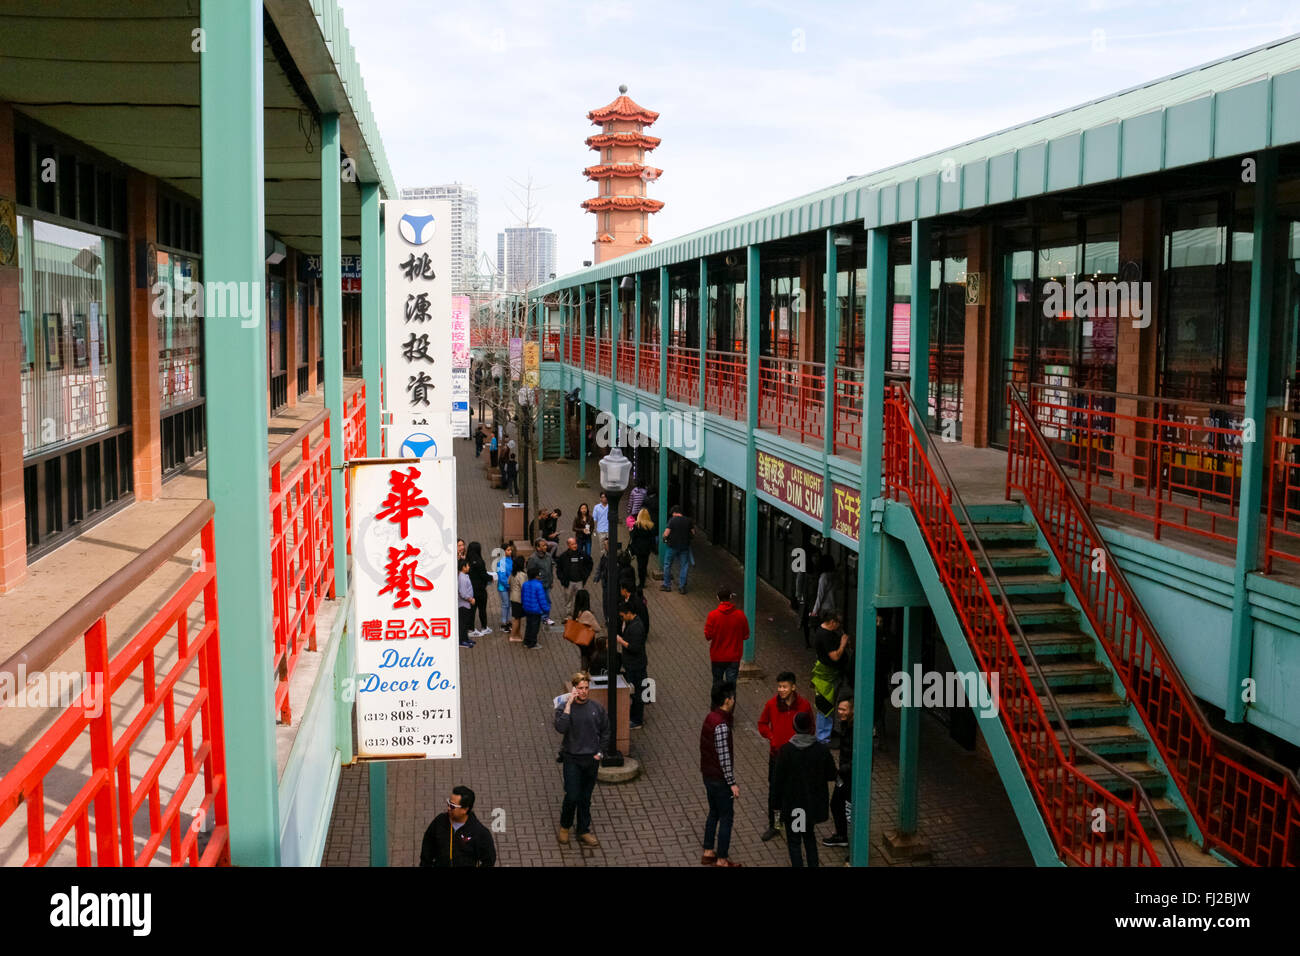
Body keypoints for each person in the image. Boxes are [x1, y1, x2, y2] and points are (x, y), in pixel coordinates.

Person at [772, 710, 837, 867]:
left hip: (793, 805)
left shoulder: (786, 750)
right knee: (809, 838)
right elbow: (831, 774)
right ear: (811, 727)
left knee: (794, 842)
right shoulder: (821, 750)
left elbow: (777, 781)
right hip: (811, 805)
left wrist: (776, 809)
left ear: (794, 727)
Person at [554, 671, 611, 847]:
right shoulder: (563, 707)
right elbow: (561, 728)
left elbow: (606, 731)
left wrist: (600, 753)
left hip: (591, 759)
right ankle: (565, 827)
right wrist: (569, 705)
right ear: (574, 689)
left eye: (586, 688)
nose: (584, 691)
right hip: (572, 758)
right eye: (580, 688)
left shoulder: (597, 708)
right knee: (572, 795)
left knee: (585, 797)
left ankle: (583, 830)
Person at [757, 671, 813, 842]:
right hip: (777, 757)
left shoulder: (804, 706)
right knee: (775, 792)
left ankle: (795, 823)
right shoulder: (771, 704)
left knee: (797, 792)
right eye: (779, 686)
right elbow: (762, 724)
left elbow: (811, 728)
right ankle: (776, 825)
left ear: (793, 687)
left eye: (784, 686)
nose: (781, 689)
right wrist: (772, 737)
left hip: (797, 758)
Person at [700, 680, 743, 867]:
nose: (734, 700)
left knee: (713, 812)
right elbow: (724, 758)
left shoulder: (710, 718)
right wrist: (732, 783)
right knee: (726, 817)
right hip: (719, 779)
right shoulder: (722, 725)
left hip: (708, 775)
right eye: (732, 697)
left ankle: (708, 851)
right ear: (727, 700)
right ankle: (722, 859)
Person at [419, 785, 496, 867]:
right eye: (448, 803)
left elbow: (489, 860)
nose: (448, 808)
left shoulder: (480, 833)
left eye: (452, 806)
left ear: (465, 809)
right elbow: (427, 848)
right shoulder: (439, 822)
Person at [811, 611, 851, 743]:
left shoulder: (822, 630)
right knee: (825, 705)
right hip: (827, 675)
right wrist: (843, 644)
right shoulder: (825, 636)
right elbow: (835, 656)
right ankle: (823, 737)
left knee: (826, 704)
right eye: (837, 624)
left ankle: (826, 732)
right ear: (832, 622)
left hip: (828, 674)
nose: (838, 627)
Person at [704, 585, 749, 691]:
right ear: (730, 597)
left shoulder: (713, 615)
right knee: (731, 687)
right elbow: (746, 635)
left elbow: (708, 636)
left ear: (717, 598)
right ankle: (729, 706)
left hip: (717, 656)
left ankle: (717, 705)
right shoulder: (740, 615)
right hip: (734, 657)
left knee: (717, 682)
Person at [823, 699, 854, 849]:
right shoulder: (846, 725)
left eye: (844, 710)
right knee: (836, 804)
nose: (840, 712)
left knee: (846, 809)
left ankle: (851, 842)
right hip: (845, 774)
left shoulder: (856, 728)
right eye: (839, 709)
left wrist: (843, 769)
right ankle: (842, 836)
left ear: (852, 710)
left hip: (851, 775)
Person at [616, 602, 648, 730]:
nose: (622, 618)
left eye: (623, 616)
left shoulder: (636, 627)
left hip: (636, 665)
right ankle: (634, 716)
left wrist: (621, 641)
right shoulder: (633, 623)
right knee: (635, 692)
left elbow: (634, 648)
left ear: (629, 613)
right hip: (632, 664)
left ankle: (637, 720)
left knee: (637, 693)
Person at [555, 536, 593, 620]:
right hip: (568, 582)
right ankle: (568, 615)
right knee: (568, 600)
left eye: (575, 543)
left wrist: (585, 575)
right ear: (568, 545)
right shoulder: (563, 556)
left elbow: (589, 563)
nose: (575, 545)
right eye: (572, 544)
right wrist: (562, 579)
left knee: (580, 599)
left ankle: (579, 615)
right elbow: (559, 569)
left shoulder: (582, 554)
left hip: (579, 581)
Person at [661, 506, 695, 594]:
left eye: (673, 514)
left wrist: (664, 538)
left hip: (672, 546)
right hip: (684, 547)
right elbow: (693, 533)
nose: (672, 516)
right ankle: (682, 587)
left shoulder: (672, 520)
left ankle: (667, 585)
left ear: (675, 512)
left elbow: (666, 533)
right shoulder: (688, 520)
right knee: (684, 566)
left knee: (667, 564)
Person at [568, 588, 603, 673]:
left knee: (584, 656)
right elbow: (598, 628)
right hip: (588, 640)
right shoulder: (587, 613)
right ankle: (588, 674)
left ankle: (583, 673)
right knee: (591, 657)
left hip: (580, 640)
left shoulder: (577, 612)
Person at [527, 538, 558, 626]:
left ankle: (544, 617)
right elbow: (530, 572)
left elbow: (550, 569)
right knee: (543, 601)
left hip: (547, 584)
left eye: (545, 545)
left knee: (546, 601)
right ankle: (543, 617)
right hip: (538, 585)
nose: (546, 546)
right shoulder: (533, 559)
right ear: (538, 548)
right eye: (543, 545)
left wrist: (551, 581)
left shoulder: (548, 556)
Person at [466, 541, 491, 637]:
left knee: (472, 610)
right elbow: (483, 575)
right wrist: (491, 578)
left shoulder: (467, 561)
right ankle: (484, 627)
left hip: (471, 589)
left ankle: (471, 628)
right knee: (482, 609)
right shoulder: (480, 561)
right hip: (480, 590)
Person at [521, 565, 549, 650]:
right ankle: (532, 643)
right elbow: (542, 600)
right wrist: (546, 609)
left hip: (527, 609)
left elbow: (522, 597)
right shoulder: (538, 586)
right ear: (536, 576)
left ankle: (526, 641)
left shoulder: (525, 584)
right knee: (535, 627)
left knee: (529, 625)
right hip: (536, 610)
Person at [627, 508, 656, 589]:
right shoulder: (651, 526)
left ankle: (641, 583)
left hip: (638, 548)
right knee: (644, 563)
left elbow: (633, 536)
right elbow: (652, 538)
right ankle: (643, 580)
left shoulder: (637, 525)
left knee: (640, 565)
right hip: (647, 549)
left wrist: (630, 531)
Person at [495, 544, 515, 633]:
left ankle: (508, 621)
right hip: (503, 587)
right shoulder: (501, 562)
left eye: (510, 550)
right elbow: (502, 577)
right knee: (505, 604)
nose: (510, 552)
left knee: (509, 604)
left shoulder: (510, 559)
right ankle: (503, 623)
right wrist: (508, 586)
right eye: (508, 550)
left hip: (509, 586)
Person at [457, 558, 476, 649]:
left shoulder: (464, 576)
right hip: (463, 605)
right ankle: (461, 640)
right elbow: (462, 593)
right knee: (463, 624)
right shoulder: (462, 578)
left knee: (465, 623)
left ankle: (465, 638)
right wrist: (470, 599)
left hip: (466, 604)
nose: (469, 567)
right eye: (467, 565)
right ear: (463, 567)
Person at [508, 556, 527, 642]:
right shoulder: (522, 575)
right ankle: (512, 636)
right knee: (516, 619)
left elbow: (508, 583)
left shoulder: (512, 574)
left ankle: (518, 634)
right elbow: (524, 587)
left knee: (517, 617)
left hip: (513, 597)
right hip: (519, 599)